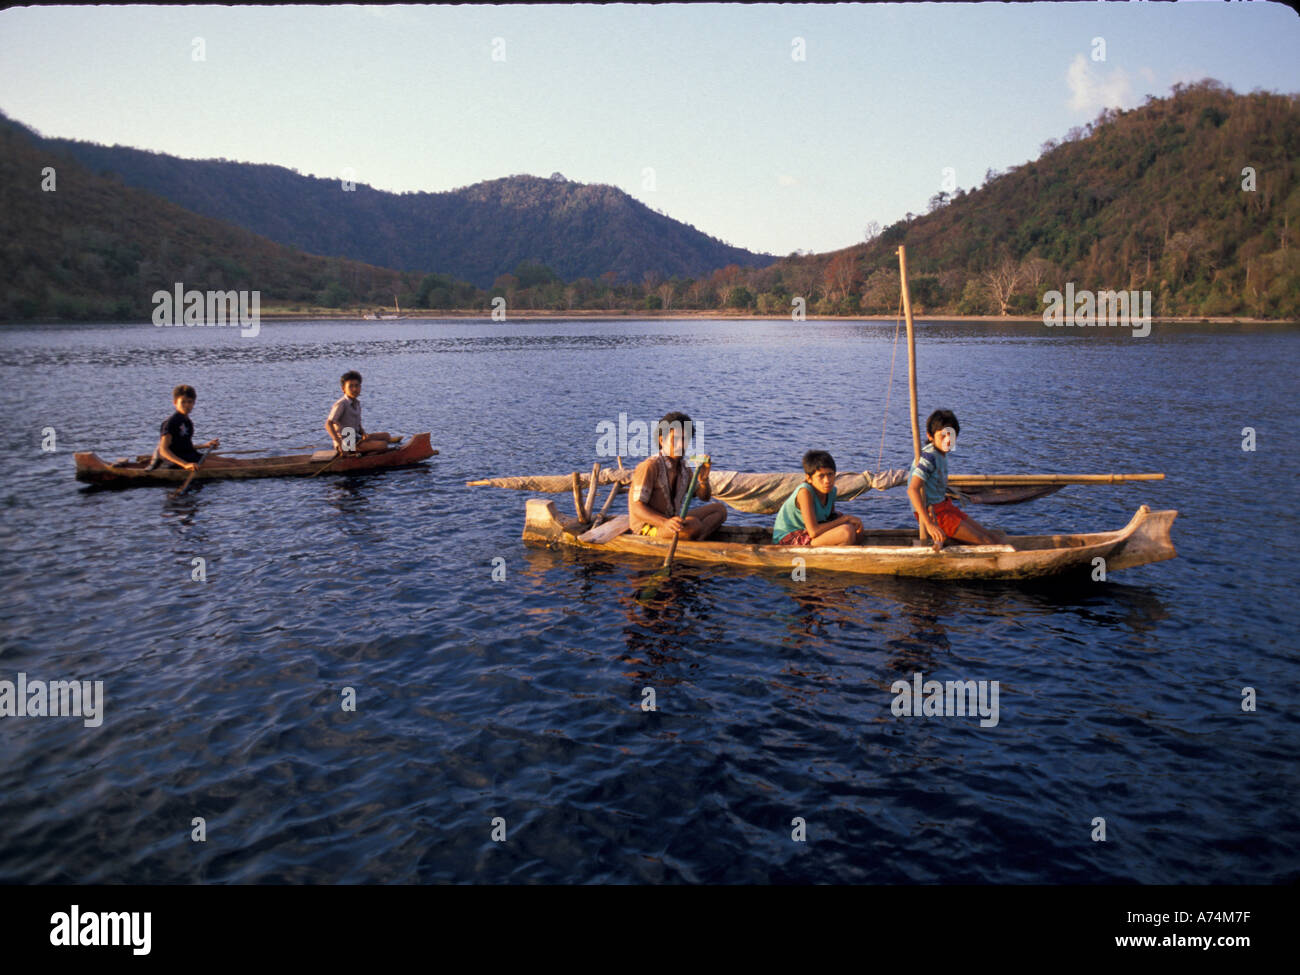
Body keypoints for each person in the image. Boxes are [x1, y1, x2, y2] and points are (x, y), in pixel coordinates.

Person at [909, 409, 1006, 550]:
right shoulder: (929, 458)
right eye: (943, 436)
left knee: (992, 536)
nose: (948, 440)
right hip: (933, 513)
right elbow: (912, 489)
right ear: (930, 436)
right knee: (987, 542)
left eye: (951, 436)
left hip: (944, 506)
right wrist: (929, 525)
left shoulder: (941, 453)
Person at [628, 411, 727, 540]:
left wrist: (703, 479)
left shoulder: (684, 468)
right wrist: (664, 522)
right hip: (649, 528)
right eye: (675, 439)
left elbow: (704, 497)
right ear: (662, 440)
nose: (680, 444)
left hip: (672, 521)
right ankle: (694, 536)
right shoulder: (649, 466)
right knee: (694, 525)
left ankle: (695, 537)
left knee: (719, 510)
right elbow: (637, 508)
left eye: (685, 439)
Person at [772, 450, 865, 546]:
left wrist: (852, 523)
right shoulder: (805, 492)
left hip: (809, 533)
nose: (827, 481)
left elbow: (829, 518)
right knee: (846, 532)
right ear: (809, 478)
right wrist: (845, 518)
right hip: (789, 539)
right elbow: (813, 532)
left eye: (830, 474)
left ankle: (839, 557)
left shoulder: (831, 491)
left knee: (853, 526)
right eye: (821, 476)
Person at [149, 384, 218, 471]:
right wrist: (185, 465)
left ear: (194, 403)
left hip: (189, 456)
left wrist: (205, 445)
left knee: (232, 461)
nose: (186, 405)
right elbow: (163, 450)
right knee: (229, 465)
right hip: (177, 462)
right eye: (183, 402)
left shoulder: (186, 421)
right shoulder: (171, 422)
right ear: (175, 403)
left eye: (190, 402)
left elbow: (183, 446)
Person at [325, 371, 392, 455]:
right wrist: (339, 443)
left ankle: (366, 450)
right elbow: (328, 424)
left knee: (386, 436)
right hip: (347, 443)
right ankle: (365, 455)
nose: (354, 389)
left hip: (356, 438)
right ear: (343, 389)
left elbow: (357, 423)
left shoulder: (356, 403)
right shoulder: (341, 404)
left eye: (357, 386)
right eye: (351, 386)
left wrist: (363, 433)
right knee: (383, 445)